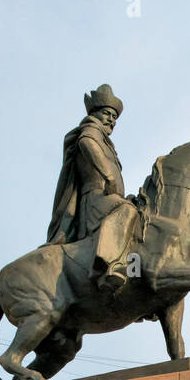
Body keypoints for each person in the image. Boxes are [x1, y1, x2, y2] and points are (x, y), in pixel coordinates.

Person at [45, 83, 139, 293]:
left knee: (138, 214)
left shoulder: (107, 143)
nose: (111, 120)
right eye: (107, 114)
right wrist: (107, 174)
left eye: (114, 117)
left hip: (106, 199)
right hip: (93, 200)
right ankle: (107, 265)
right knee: (127, 210)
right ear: (95, 113)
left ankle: (137, 275)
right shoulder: (90, 131)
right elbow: (87, 144)